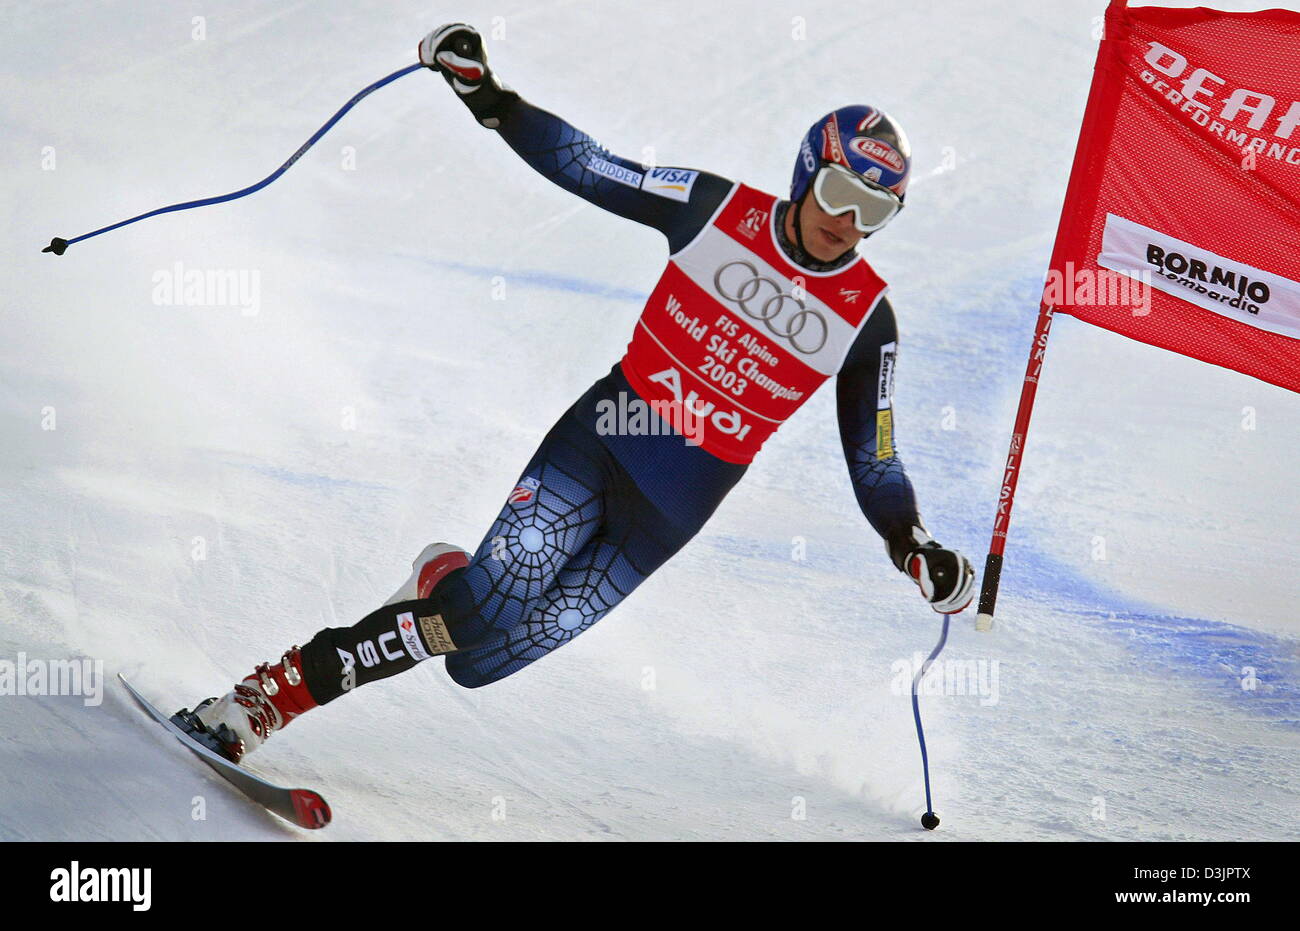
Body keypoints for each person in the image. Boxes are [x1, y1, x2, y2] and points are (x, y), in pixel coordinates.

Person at [175, 23, 976, 763]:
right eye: (841, 193)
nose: (848, 221)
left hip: (671, 513)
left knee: (479, 661)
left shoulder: (869, 321)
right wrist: (492, 100)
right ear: (809, 170)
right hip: (603, 441)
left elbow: (874, 458)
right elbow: (592, 167)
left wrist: (912, 544)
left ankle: (443, 578)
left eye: (874, 211)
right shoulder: (713, 209)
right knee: (476, 614)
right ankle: (258, 704)